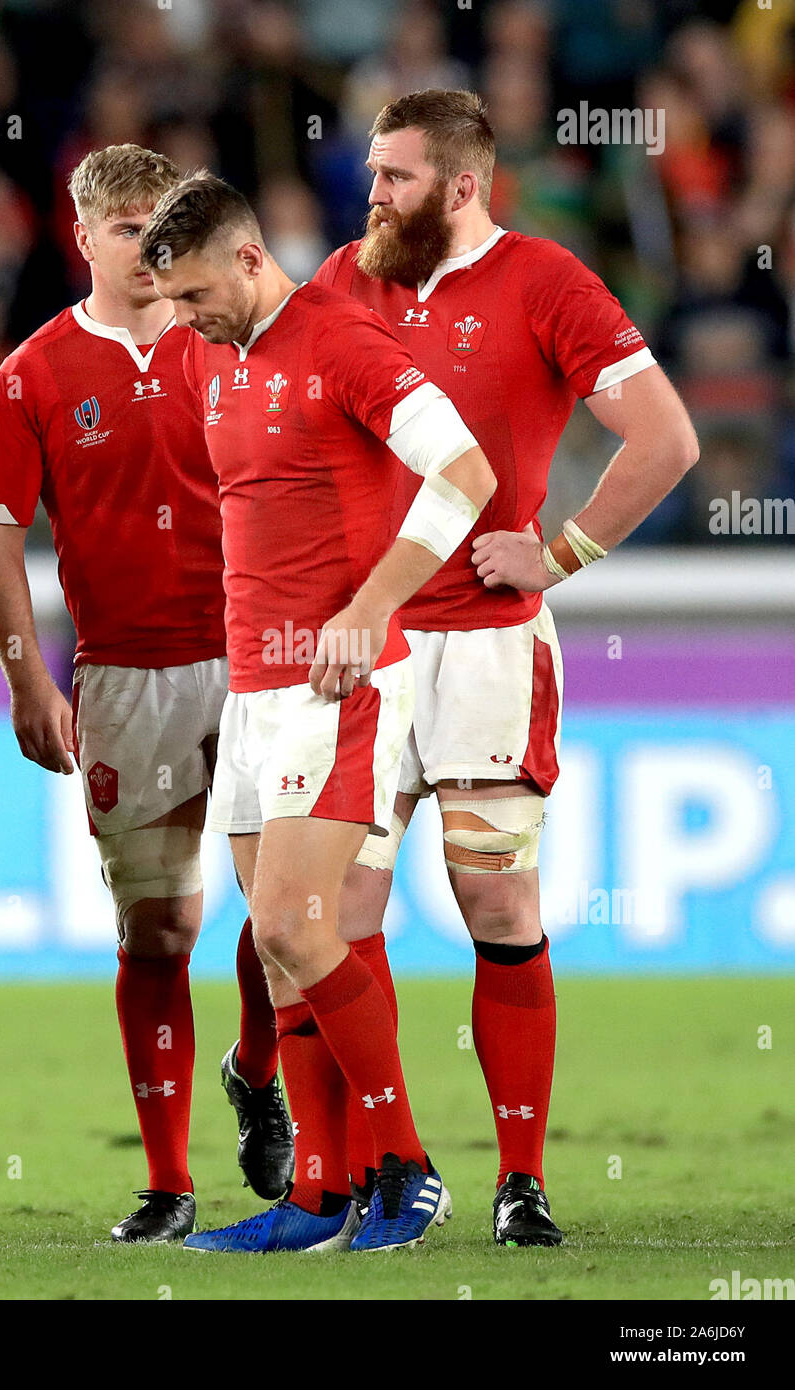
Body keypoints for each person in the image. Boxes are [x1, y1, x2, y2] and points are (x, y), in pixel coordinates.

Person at [313, 89, 699, 1246]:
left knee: (493, 898)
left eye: (395, 176)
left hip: (486, 640)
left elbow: (666, 436)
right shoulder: (343, 283)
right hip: (363, 641)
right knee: (339, 907)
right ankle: (388, 1163)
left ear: (463, 185)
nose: (373, 194)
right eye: (371, 173)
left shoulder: (544, 282)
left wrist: (560, 552)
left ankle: (520, 1178)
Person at [138, 171, 497, 1253]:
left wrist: (371, 605)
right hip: (252, 688)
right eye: (171, 301)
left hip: (337, 686)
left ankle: (408, 1167)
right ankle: (319, 1195)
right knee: (280, 946)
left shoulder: (341, 341)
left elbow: (465, 472)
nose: (183, 320)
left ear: (252, 259)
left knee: (296, 926)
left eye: (196, 294)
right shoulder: (208, 354)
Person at [0, 144, 293, 1246]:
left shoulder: (236, 342)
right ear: (84, 239)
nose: (149, 248)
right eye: (126, 229)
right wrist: (27, 677)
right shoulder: (35, 374)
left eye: (164, 227)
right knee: (160, 933)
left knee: (287, 914)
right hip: (123, 675)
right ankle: (167, 1182)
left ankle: (257, 1068)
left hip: (258, 662)